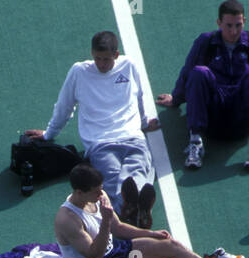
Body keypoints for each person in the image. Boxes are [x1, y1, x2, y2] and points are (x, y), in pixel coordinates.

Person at [25, 31, 160, 227]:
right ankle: (135, 208)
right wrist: (48, 134)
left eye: (106, 59)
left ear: (116, 54)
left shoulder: (129, 66)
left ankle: (131, 207)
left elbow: (139, 97)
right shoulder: (79, 72)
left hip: (132, 137)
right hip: (101, 143)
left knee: (137, 170)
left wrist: (144, 123)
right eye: (97, 58)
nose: (101, 64)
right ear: (91, 53)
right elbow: (64, 106)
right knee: (112, 177)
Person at [53, 163, 249, 258]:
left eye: (100, 189)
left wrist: (151, 234)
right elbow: (94, 255)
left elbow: (119, 228)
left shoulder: (97, 195)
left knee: (171, 245)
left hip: (119, 252)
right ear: (79, 192)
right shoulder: (67, 219)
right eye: (95, 192)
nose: (101, 194)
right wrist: (104, 221)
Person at [156, 0, 249, 171]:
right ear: (219, 23)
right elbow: (187, 73)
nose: (233, 31)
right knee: (199, 72)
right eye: (228, 25)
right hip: (213, 115)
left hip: (240, 117)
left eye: (238, 25)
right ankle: (195, 143)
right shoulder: (205, 42)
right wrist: (176, 99)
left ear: (244, 21)